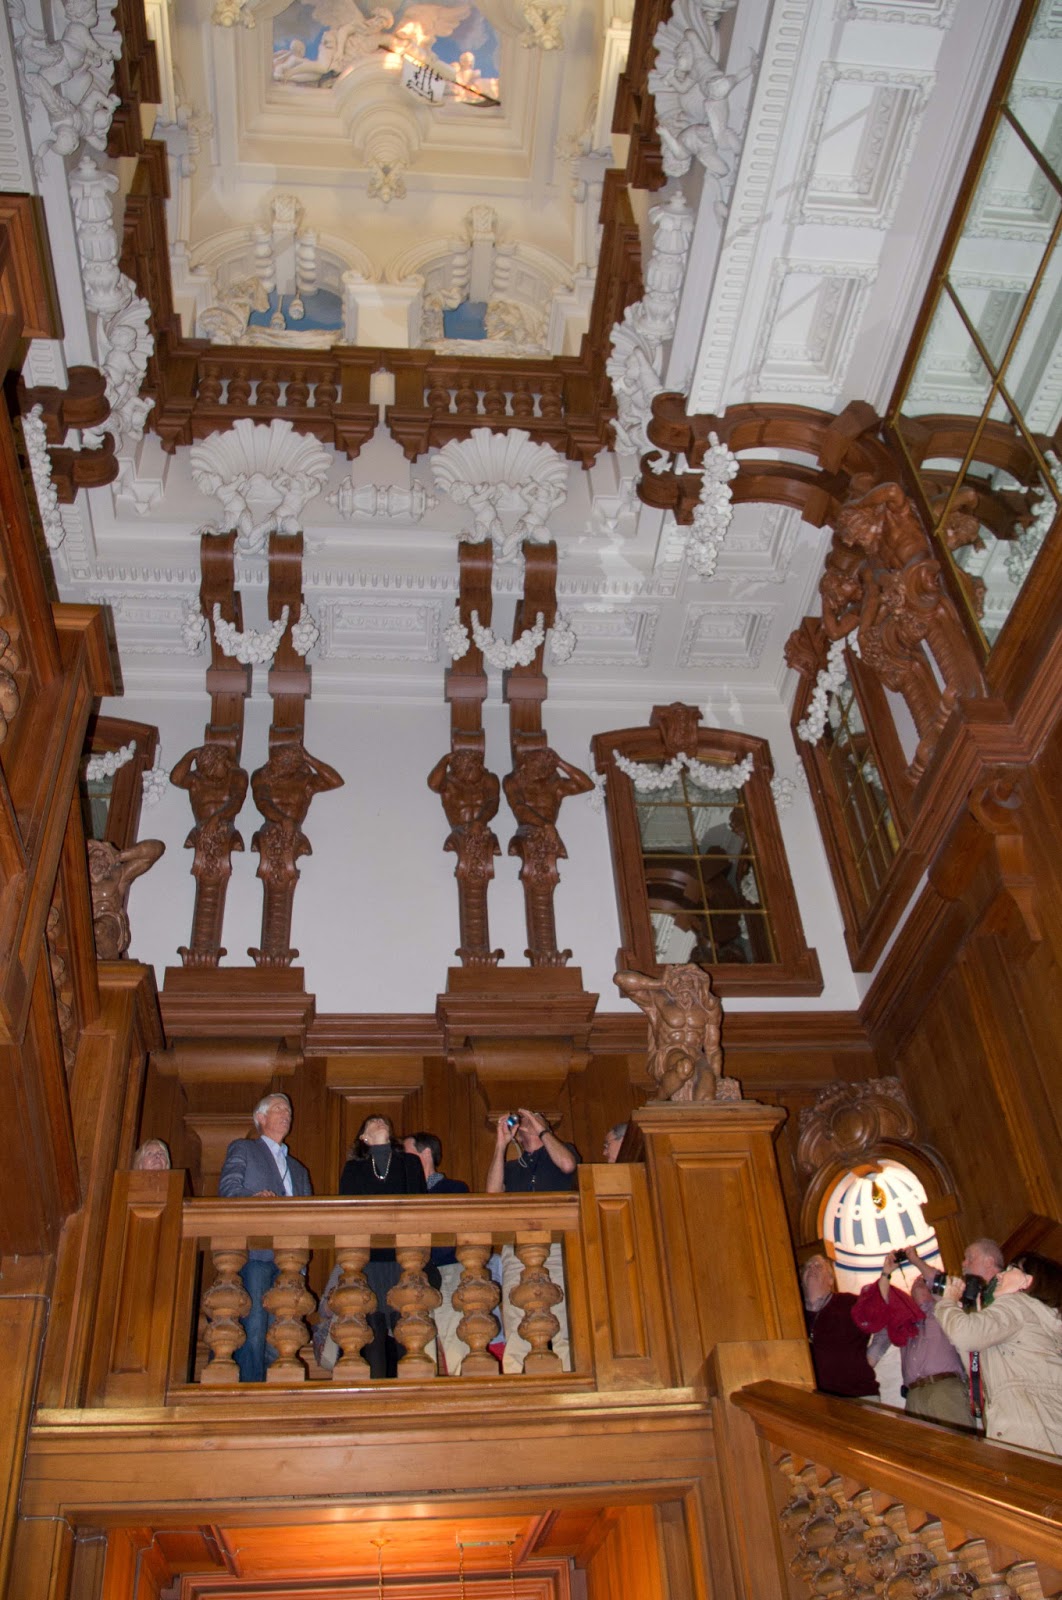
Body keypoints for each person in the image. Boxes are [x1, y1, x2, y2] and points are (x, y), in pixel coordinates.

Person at [218, 1094, 312, 1383]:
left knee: (282, 1336)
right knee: (255, 1328)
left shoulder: (299, 1169)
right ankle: (248, 1396)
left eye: (289, 1110)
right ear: (260, 1118)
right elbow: (228, 1189)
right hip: (256, 1255)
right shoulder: (244, 1148)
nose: (287, 1114)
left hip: (290, 1263)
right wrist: (254, 1198)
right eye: (279, 1109)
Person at [934, 1252, 1062, 1455]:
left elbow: (963, 1334)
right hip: (1041, 1424)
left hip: (1026, 1427)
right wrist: (973, 1316)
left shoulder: (1017, 1304)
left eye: (1011, 1269)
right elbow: (977, 1369)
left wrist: (947, 1302)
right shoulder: (1034, 1316)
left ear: (1027, 1281)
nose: (1000, 1276)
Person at [486, 1109, 579, 1373]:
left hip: (557, 1244)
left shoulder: (562, 1152)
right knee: (516, 1312)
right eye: (519, 1119)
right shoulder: (514, 1167)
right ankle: (516, 1374)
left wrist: (542, 1129)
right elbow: (493, 1195)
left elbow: (568, 1165)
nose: (521, 1122)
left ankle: (569, 1371)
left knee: (561, 1310)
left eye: (527, 1117)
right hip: (518, 1247)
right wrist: (501, 1144)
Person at [339, 1115, 426, 1378]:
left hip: (404, 1256)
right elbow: (346, 1209)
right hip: (370, 1258)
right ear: (363, 1138)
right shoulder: (354, 1167)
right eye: (372, 1123)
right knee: (374, 1330)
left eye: (383, 1121)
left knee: (406, 1329)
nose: (380, 1123)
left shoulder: (409, 1162)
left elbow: (420, 1204)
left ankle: (410, 1392)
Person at [853, 1251, 970, 1427]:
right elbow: (878, 1338)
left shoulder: (944, 1307)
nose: (918, 1282)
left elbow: (940, 1281)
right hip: (914, 1396)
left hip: (945, 1389)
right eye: (916, 1281)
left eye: (923, 1281)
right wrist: (886, 1273)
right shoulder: (902, 1318)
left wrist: (915, 1260)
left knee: (958, 1448)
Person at [403, 1131, 470, 1375]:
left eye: (408, 1153)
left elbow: (453, 1235)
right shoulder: (405, 1193)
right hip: (413, 1275)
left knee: (456, 1342)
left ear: (426, 1153)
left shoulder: (453, 1189)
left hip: (448, 1271)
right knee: (418, 1346)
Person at [800, 1254, 878, 1399]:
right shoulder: (796, 1314)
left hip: (858, 1396)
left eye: (818, 1266)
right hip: (818, 1400)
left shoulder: (851, 1303)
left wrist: (872, 1356)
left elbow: (884, 1323)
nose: (811, 1269)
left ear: (830, 1279)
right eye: (807, 1267)